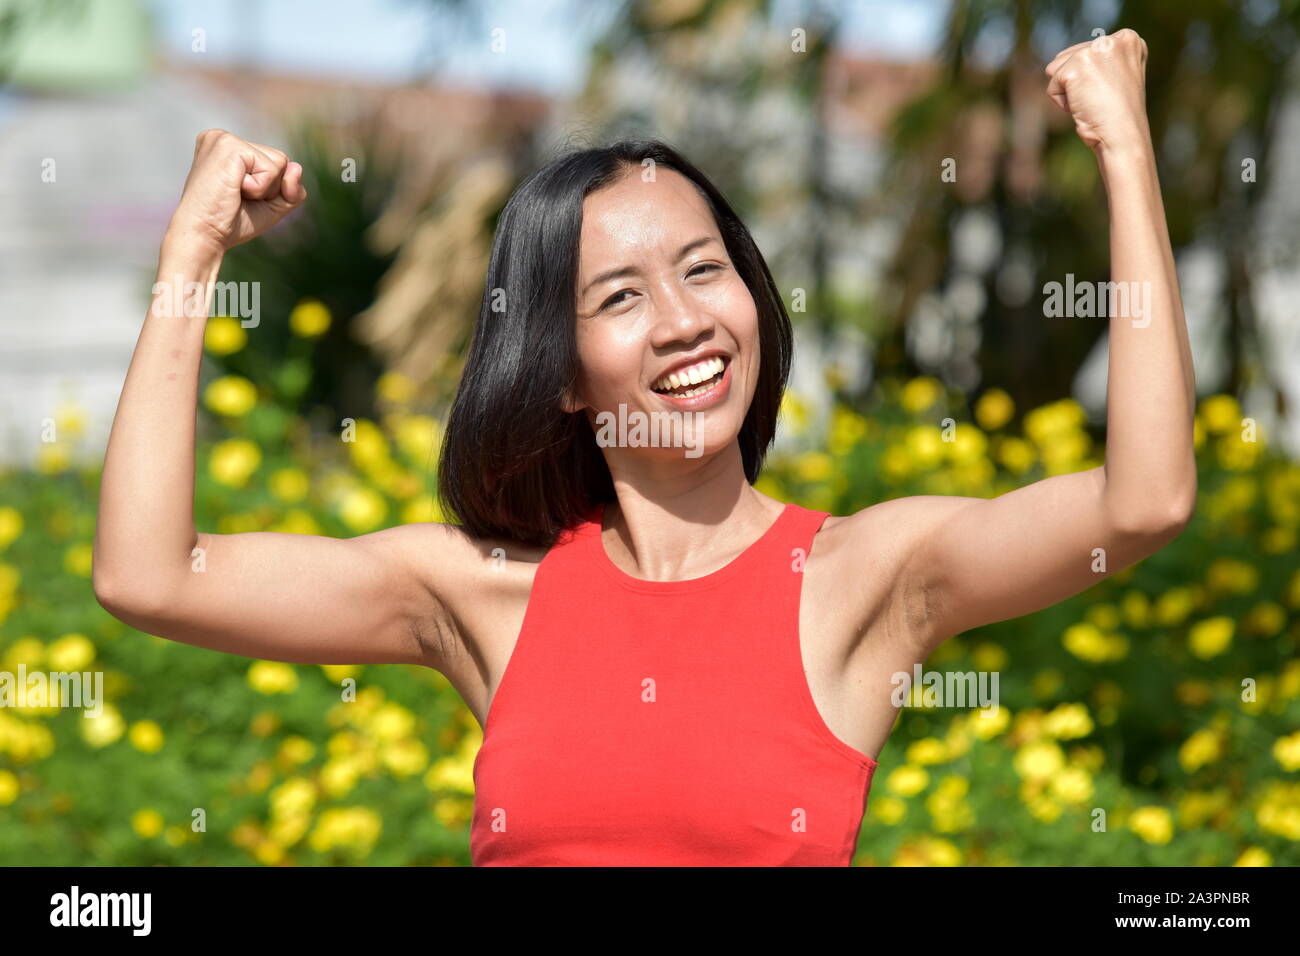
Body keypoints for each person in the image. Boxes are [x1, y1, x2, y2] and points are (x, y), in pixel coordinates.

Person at [94, 28, 1195, 866]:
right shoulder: (480, 591)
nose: (683, 319)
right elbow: (148, 575)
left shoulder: (864, 575)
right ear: (559, 372)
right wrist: (193, 252)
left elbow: (1139, 502)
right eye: (620, 294)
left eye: (704, 268)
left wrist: (1123, 148)